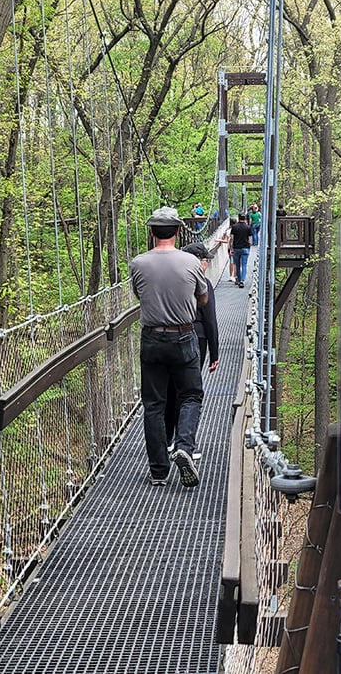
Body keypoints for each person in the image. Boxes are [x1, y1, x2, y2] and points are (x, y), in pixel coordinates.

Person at [130, 206, 207, 488]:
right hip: (183, 337)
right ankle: (184, 446)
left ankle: (158, 471)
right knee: (190, 396)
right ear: (178, 231)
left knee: (153, 404)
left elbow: (140, 295)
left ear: (151, 232)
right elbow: (204, 298)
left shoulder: (138, 263)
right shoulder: (191, 262)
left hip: (151, 339)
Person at [165, 242, 219, 459]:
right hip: (198, 339)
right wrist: (215, 353)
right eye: (205, 261)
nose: (206, 265)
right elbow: (211, 321)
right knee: (190, 392)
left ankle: (168, 440)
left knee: (170, 389)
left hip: (168, 338)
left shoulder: (170, 282)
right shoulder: (203, 283)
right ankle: (185, 444)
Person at [230, 212, 253, 288]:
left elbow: (232, 239)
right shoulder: (248, 227)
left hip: (236, 248)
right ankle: (242, 280)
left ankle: (239, 280)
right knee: (244, 265)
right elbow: (250, 240)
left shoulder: (234, 227)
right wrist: (249, 247)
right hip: (245, 248)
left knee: (237, 265)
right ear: (245, 218)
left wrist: (231, 248)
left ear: (238, 218)